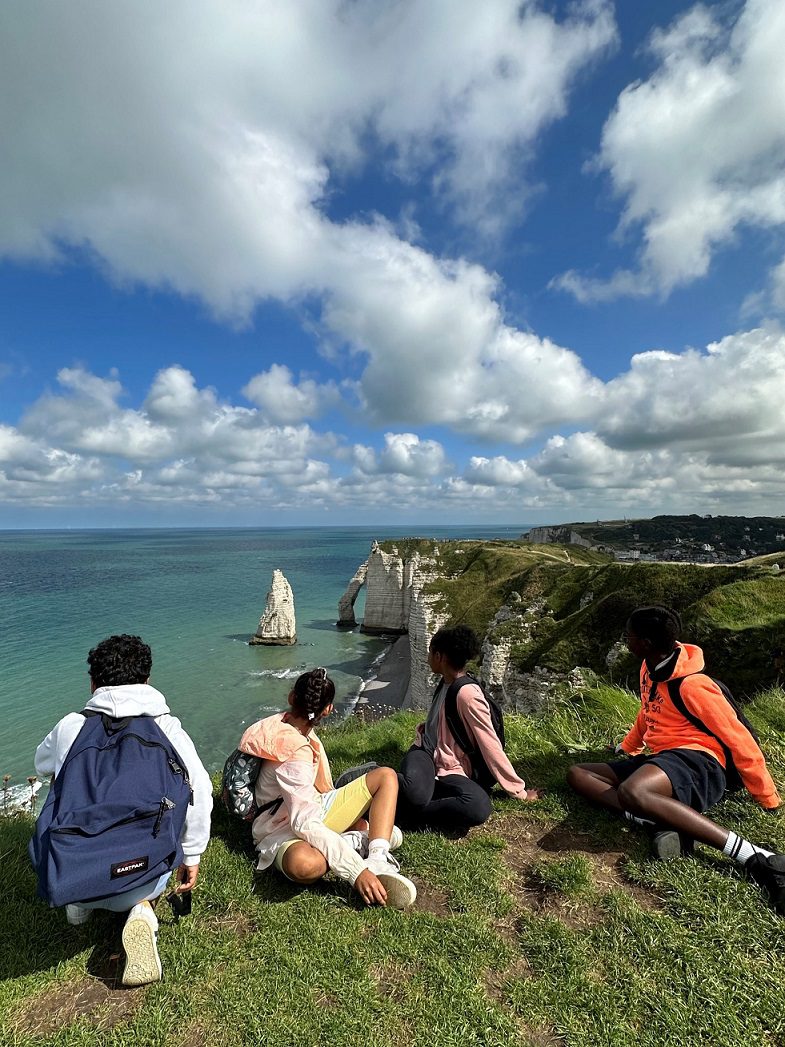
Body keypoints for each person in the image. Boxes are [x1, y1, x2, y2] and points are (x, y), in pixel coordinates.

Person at [567, 605, 785, 915]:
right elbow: (648, 711)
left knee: (633, 791)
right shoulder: (648, 669)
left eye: (629, 636)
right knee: (578, 774)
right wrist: (628, 747)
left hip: (701, 762)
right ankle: (659, 820)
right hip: (664, 759)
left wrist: (767, 796)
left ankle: (752, 855)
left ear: (645, 643)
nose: (626, 641)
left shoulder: (694, 685)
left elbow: (739, 739)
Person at [33, 634, 213, 985]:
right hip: (144, 876)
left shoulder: (71, 726)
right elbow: (201, 791)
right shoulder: (167, 728)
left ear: (93, 682)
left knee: (60, 779)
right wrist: (192, 855)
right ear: (147, 680)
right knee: (156, 857)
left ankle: (78, 904)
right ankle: (143, 912)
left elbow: (40, 765)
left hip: (71, 878)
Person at [241, 667, 416, 909]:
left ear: (291, 697)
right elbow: (303, 823)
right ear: (328, 710)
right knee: (305, 865)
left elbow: (320, 796)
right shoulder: (294, 747)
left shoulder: (276, 725)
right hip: (279, 829)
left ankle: (377, 858)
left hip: (313, 809)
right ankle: (363, 840)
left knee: (386, 776)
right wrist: (356, 871)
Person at [396, 625, 542, 831]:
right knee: (415, 794)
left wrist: (519, 792)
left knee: (477, 807)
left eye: (430, 653)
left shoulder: (467, 695)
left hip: (452, 766)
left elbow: (490, 745)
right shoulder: (445, 682)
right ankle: (390, 786)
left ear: (439, 657)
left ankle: (400, 810)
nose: (427, 658)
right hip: (424, 751)